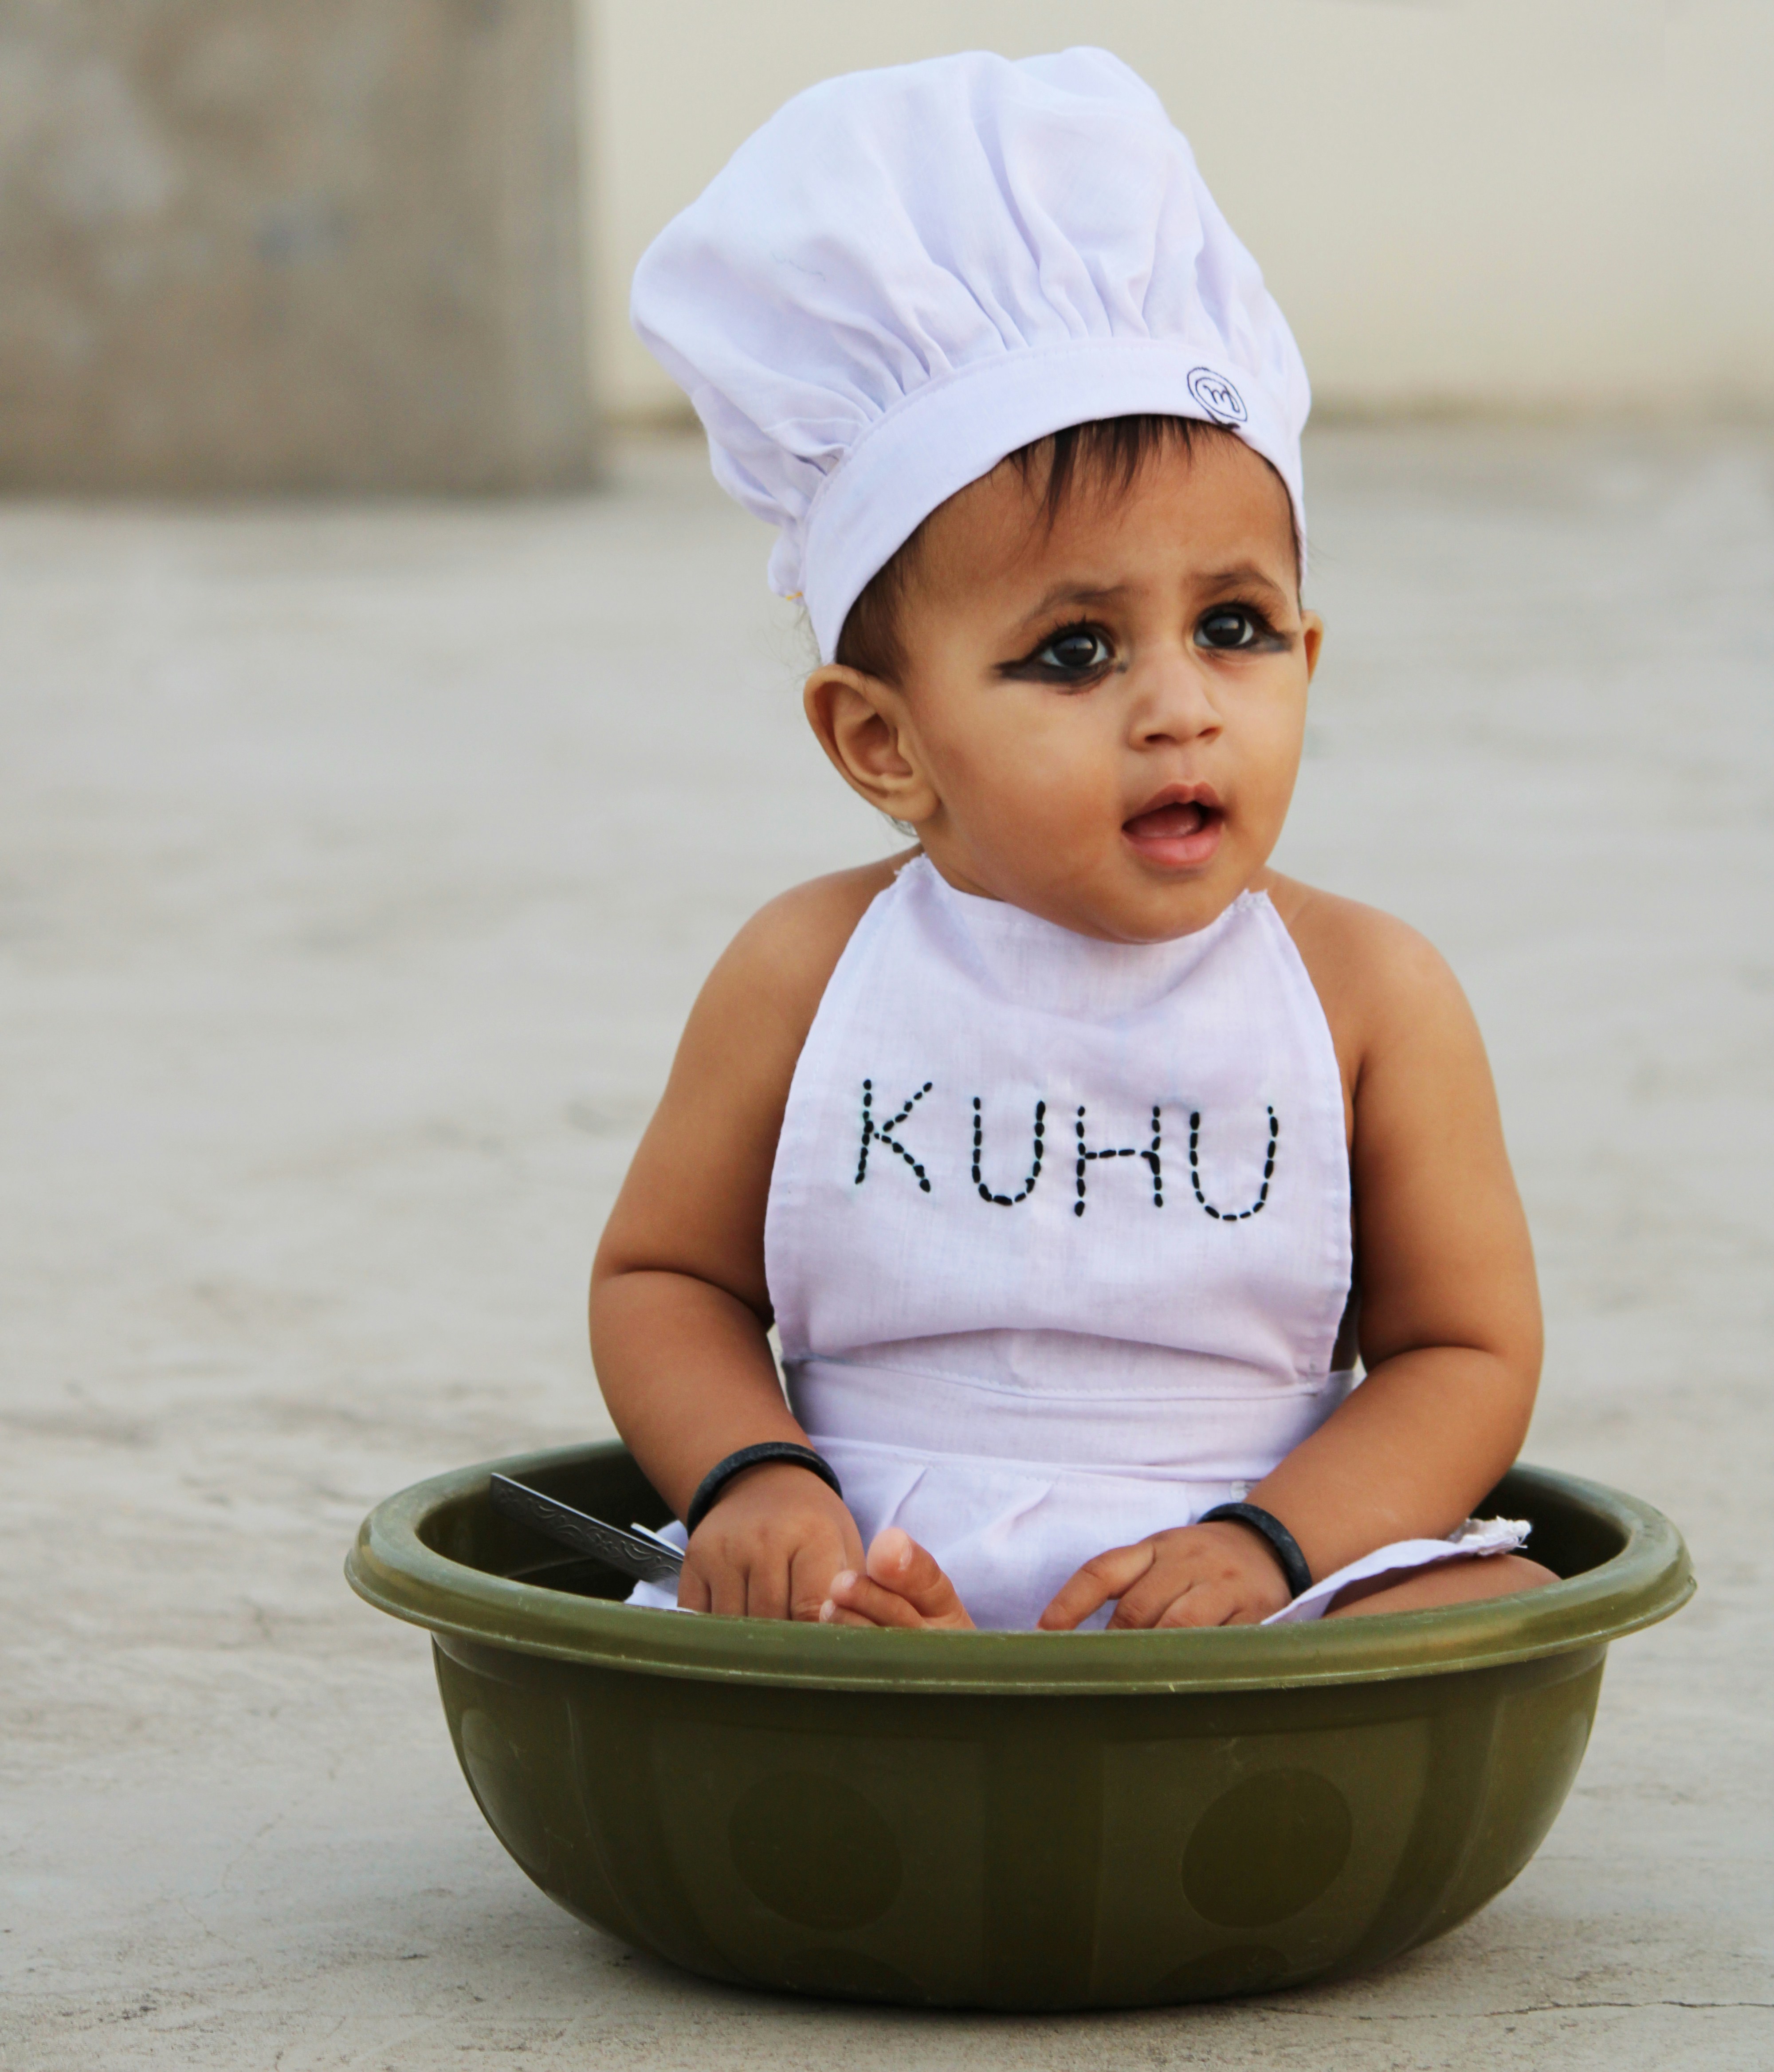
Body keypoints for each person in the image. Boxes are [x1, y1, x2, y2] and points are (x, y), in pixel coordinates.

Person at [589, 48, 1555, 1632]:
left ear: (1308, 656)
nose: (1180, 708)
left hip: (1249, 1571)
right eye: (1075, 651)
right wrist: (758, 1484)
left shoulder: (1371, 995)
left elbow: (1464, 1352)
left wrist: (1276, 1545)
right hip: (875, 1565)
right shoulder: (811, 971)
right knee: (712, 1630)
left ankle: (1231, 1696)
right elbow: (665, 1281)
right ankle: (889, 1695)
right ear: (884, 742)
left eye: (1234, 627)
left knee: (1488, 1606)